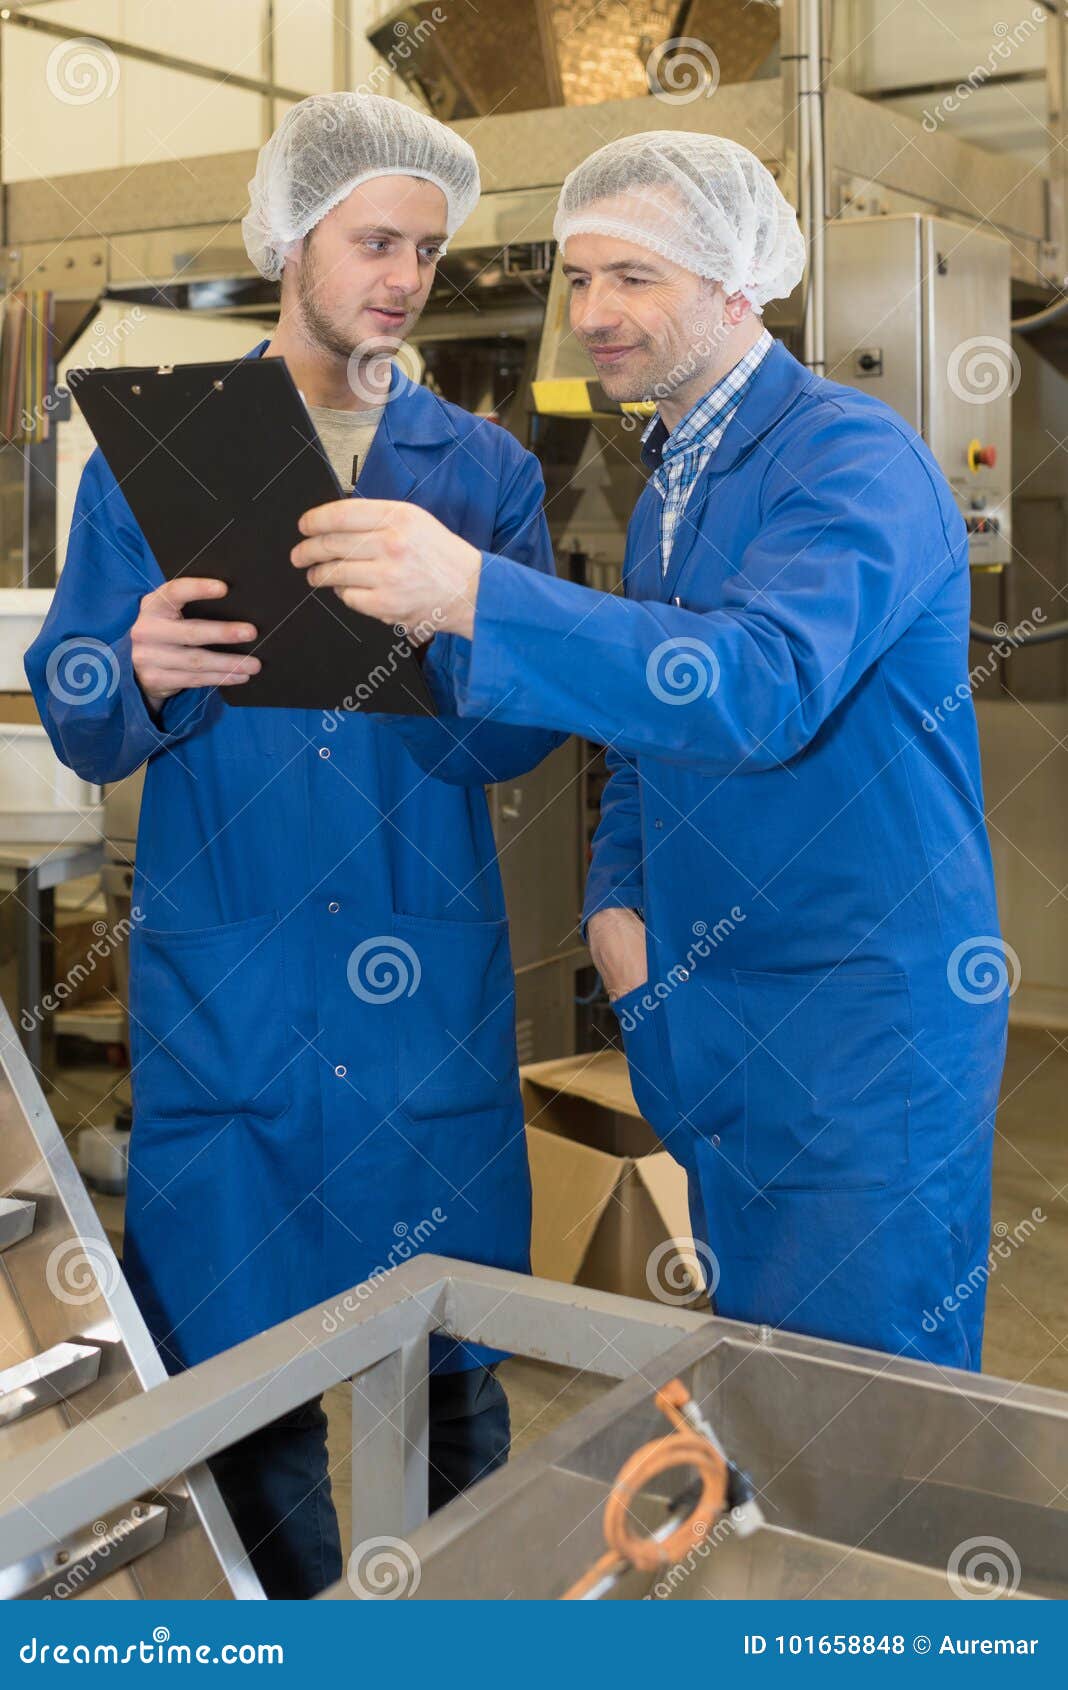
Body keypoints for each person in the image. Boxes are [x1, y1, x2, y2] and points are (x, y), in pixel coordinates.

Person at [290, 131, 1007, 1374]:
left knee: (873, 1422)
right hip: (716, 1016)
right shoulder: (675, 472)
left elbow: (758, 685)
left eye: (635, 278)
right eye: (578, 279)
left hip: (859, 1027)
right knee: (765, 1387)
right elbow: (645, 728)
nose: (593, 315)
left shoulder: (849, 457)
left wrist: (476, 594)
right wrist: (620, 912)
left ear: (737, 286)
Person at [26, 91, 563, 1598]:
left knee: (450, 1365)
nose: (404, 276)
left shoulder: (483, 472)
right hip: (233, 981)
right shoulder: (150, 458)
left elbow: (522, 739)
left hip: (421, 1001)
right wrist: (128, 663)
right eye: (375, 240)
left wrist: (459, 617)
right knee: (238, 1373)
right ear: (290, 238)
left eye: (430, 251)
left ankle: (457, 1635)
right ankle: (299, 1639)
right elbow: (79, 710)